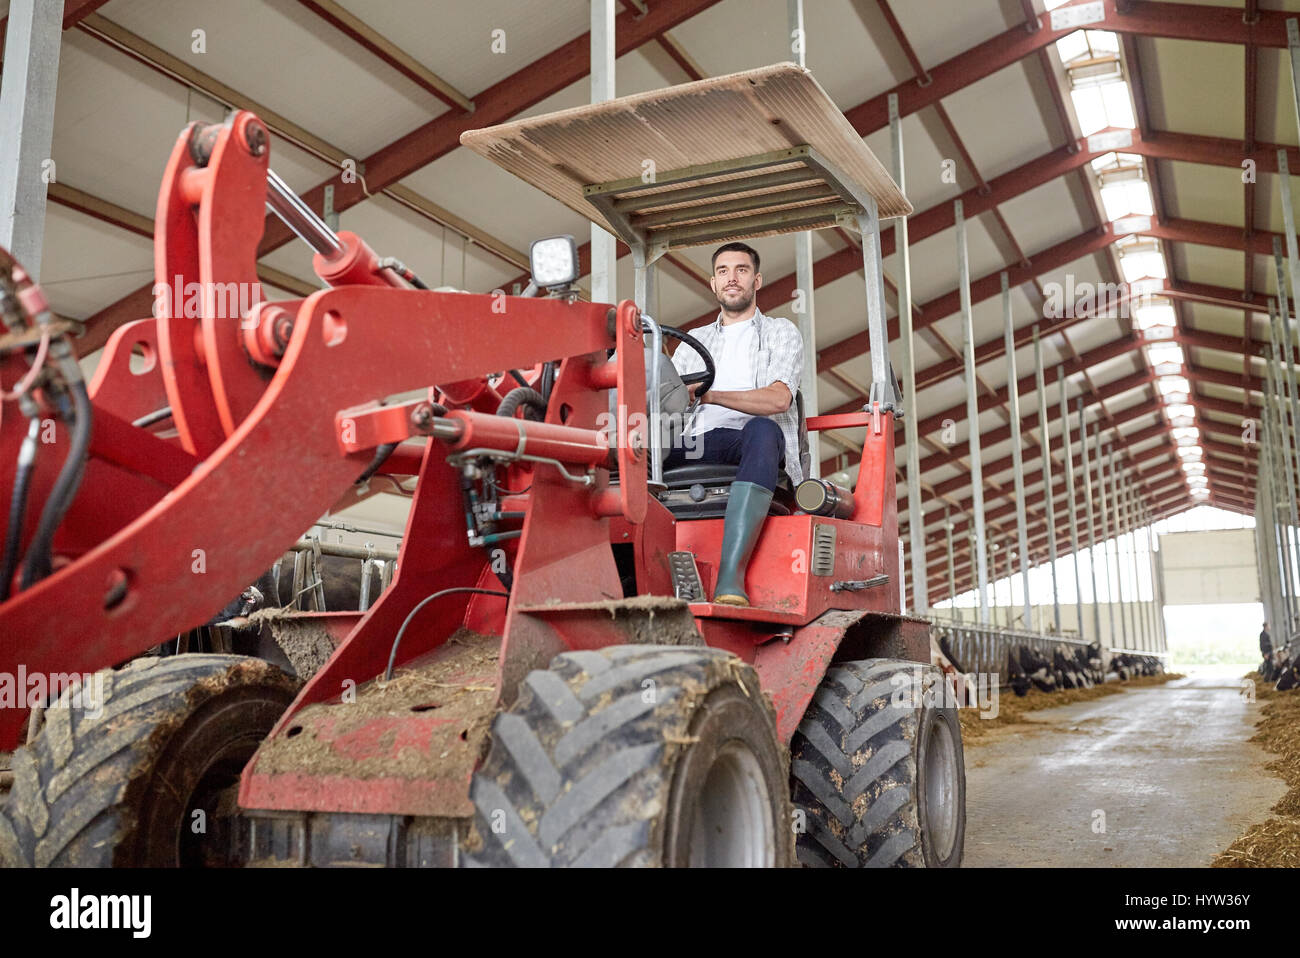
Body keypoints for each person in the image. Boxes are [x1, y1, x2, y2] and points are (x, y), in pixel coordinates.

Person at [666, 242, 805, 606]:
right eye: (724, 271)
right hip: (694, 441)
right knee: (631, 444)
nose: (732, 278)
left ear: (756, 280)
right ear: (713, 283)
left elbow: (778, 400)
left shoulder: (781, 332)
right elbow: (668, 403)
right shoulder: (692, 342)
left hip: (749, 442)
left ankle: (731, 575)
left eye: (741, 270)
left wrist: (711, 395)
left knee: (763, 429)